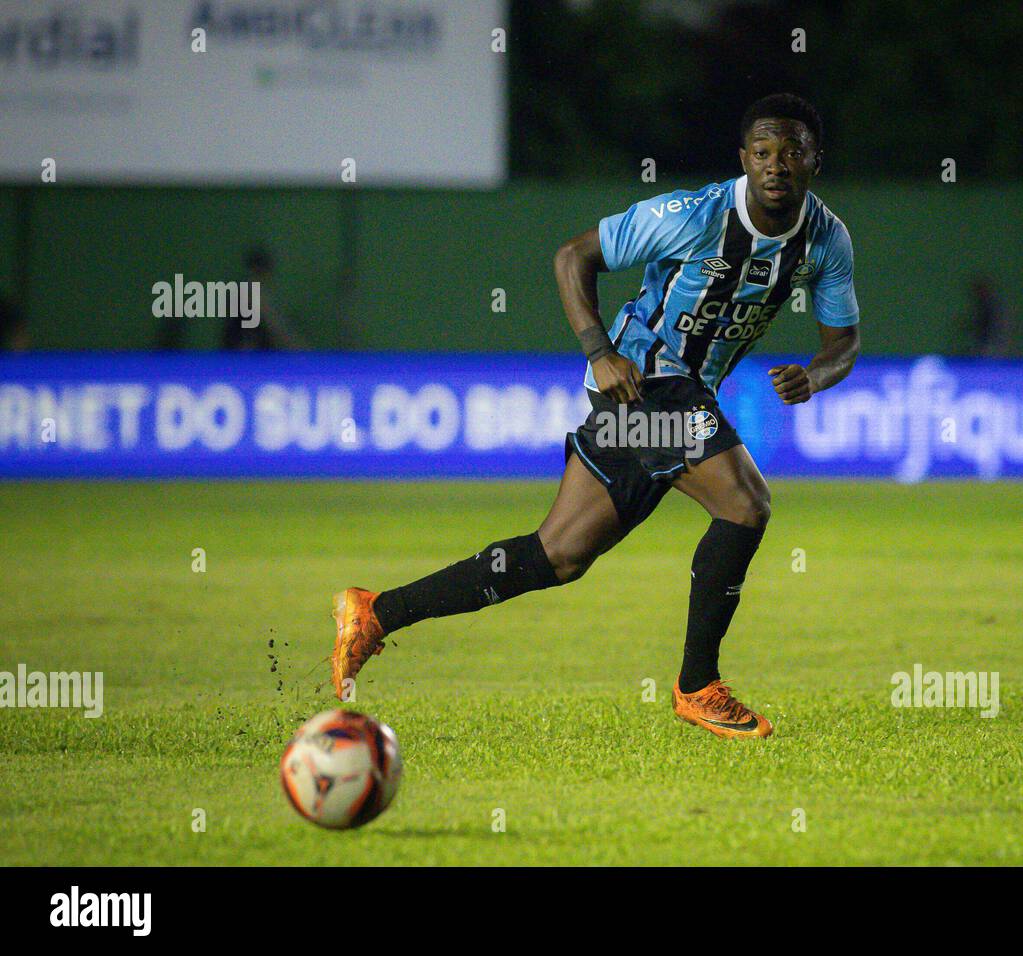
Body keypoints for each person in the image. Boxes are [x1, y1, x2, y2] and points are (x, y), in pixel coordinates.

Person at [329, 93, 860, 739]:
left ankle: (378, 613)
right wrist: (601, 352)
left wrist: (817, 374)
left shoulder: (827, 239)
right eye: (763, 152)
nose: (777, 164)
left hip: (672, 401)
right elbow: (572, 256)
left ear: (815, 160)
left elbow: (844, 341)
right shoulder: (691, 215)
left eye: (791, 152)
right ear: (744, 158)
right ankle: (698, 685)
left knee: (558, 555)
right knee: (745, 504)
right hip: (641, 387)